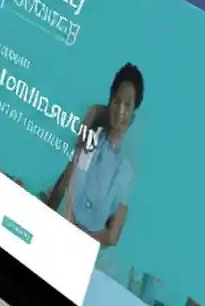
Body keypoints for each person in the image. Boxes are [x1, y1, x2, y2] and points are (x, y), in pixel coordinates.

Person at [41, 63, 144, 248]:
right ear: (110, 102)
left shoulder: (126, 172)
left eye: (127, 105)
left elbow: (113, 236)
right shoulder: (91, 140)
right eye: (117, 101)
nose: (120, 110)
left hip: (83, 246)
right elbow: (67, 184)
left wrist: (80, 239)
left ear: (133, 116)